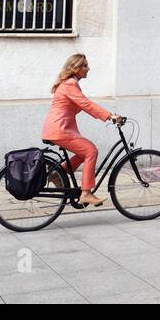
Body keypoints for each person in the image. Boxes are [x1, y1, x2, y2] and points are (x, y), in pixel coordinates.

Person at [42, 53, 123, 207]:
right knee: (91, 151)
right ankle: (85, 193)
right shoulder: (69, 85)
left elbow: (83, 105)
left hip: (58, 129)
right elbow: (87, 104)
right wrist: (110, 116)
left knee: (83, 153)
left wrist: (107, 115)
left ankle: (57, 174)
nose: (88, 68)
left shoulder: (69, 84)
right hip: (60, 129)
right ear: (76, 68)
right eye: (85, 65)